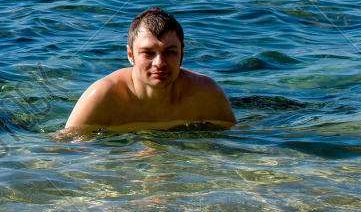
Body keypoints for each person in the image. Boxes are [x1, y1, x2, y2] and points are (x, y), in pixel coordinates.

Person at [59, 7, 235, 134]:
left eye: (169, 52)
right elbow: (65, 148)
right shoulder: (103, 96)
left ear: (182, 54)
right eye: (148, 53)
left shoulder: (205, 93)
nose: (159, 63)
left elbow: (234, 139)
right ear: (130, 55)